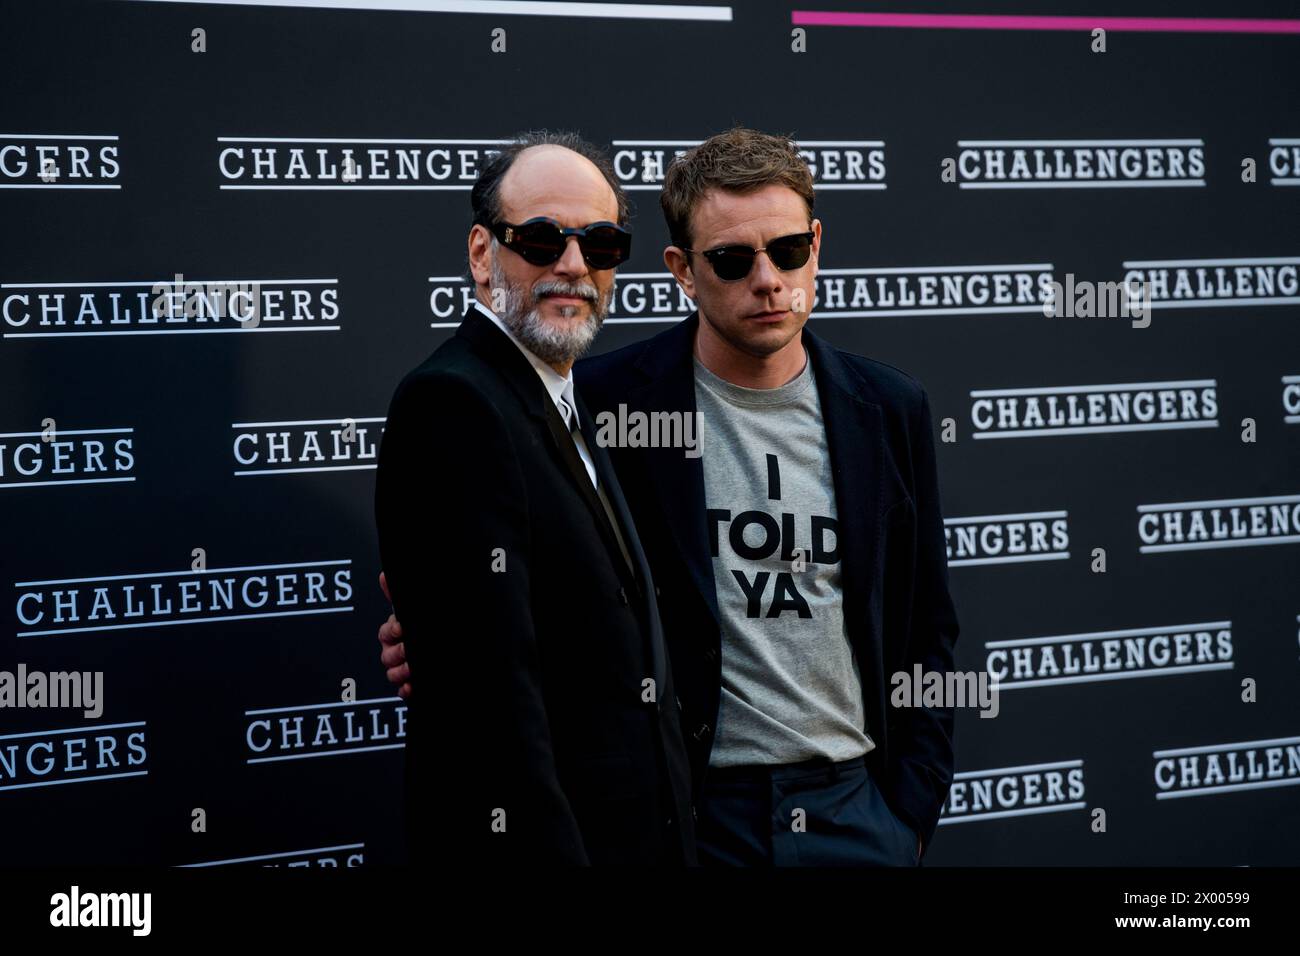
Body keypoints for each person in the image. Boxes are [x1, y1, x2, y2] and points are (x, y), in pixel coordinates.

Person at [379, 127, 960, 865]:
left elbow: (928, 631)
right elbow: (542, 594)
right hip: (689, 819)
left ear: (816, 243)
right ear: (683, 271)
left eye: (788, 251)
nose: (769, 280)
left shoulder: (890, 409)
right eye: (731, 259)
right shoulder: (602, 400)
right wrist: (439, 628)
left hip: (857, 814)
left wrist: (907, 812)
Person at [374, 131, 695, 865]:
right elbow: (487, 715)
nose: (574, 265)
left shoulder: (568, 398)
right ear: (483, 254)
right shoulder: (452, 405)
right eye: (544, 239)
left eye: (603, 243)